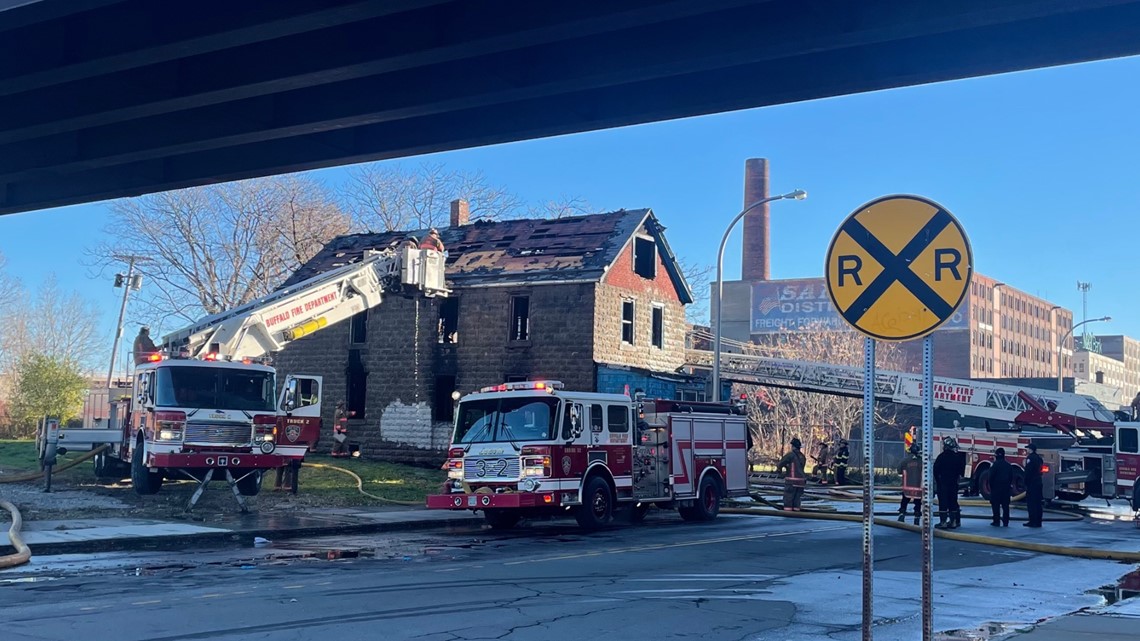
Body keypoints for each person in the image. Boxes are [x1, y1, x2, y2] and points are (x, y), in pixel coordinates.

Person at [933, 437, 964, 529]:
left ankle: (943, 522)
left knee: (943, 503)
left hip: (943, 484)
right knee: (953, 502)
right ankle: (953, 522)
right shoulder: (957, 457)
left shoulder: (941, 457)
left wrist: (938, 482)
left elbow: (935, 471)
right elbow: (961, 471)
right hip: (954, 484)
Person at [777, 437, 807, 511]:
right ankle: (796, 514)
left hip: (791, 481)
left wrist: (779, 471)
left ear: (793, 446)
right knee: (797, 499)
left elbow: (780, 464)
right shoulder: (803, 456)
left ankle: (788, 516)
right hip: (801, 481)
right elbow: (798, 467)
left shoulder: (790, 455)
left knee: (788, 499)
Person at [988, 447, 1013, 527]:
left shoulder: (995, 465)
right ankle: (1006, 522)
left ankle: (996, 521)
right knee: (1005, 506)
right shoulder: (1008, 465)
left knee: (995, 505)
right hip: (1006, 488)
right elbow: (1011, 477)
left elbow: (990, 477)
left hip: (996, 488)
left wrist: (991, 487)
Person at [897, 444, 922, 525]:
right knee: (917, 502)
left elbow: (899, 470)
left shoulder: (905, 461)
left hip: (907, 486)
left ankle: (902, 514)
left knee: (904, 501)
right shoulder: (922, 461)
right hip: (918, 486)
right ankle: (917, 517)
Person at [1023, 442, 1044, 527]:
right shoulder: (1039, 458)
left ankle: (1032, 521)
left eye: (1028, 448)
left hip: (1032, 483)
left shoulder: (1030, 458)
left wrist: (1025, 482)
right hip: (1038, 482)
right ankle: (1038, 522)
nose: (1027, 450)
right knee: (1038, 503)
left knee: (1031, 503)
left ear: (1030, 449)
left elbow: (1028, 472)